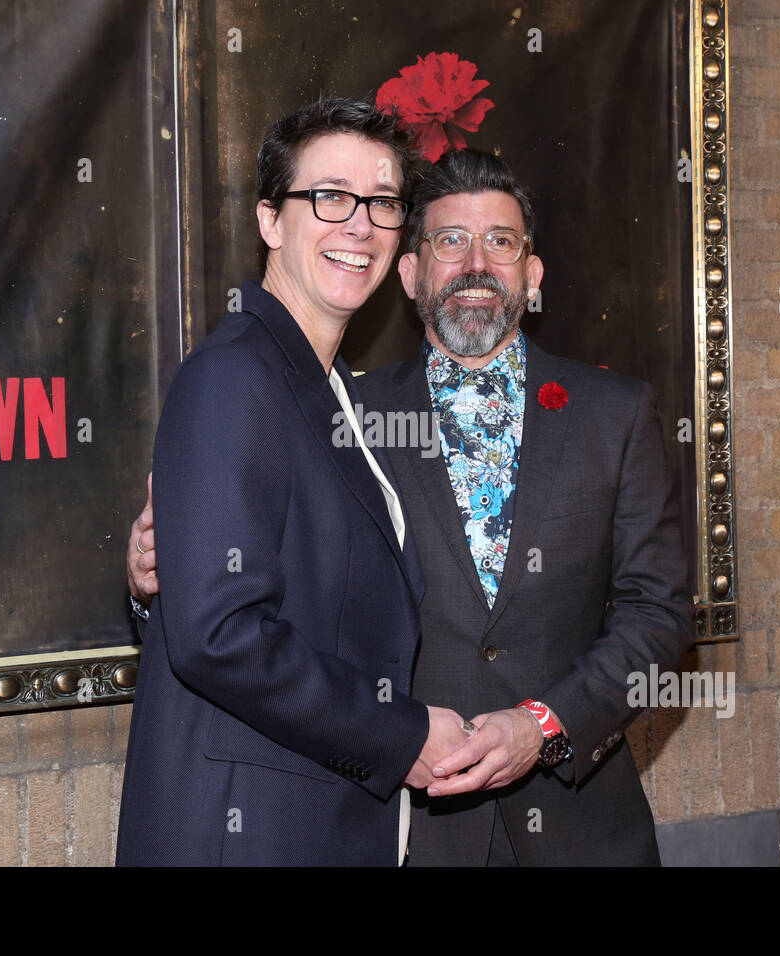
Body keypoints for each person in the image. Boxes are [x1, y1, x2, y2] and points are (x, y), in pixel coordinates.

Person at [129, 148, 694, 865]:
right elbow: (252, 612)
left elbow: (661, 614)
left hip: (586, 831)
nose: (475, 263)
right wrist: (159, 577)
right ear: (409, 273)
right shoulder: (343, 421)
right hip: (407, 832)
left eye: (502, 241)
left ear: (534, 272)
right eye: (449, 241)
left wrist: (546, 724)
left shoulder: (617, 413)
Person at [115, 98, 470, 866]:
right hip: (250, 833)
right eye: (331, 197)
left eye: (382, 203)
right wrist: (400, 734)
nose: (361, 226)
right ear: (271, 221)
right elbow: (219, 636)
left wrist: (162, 582)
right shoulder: (234, 376)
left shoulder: (328, 385)